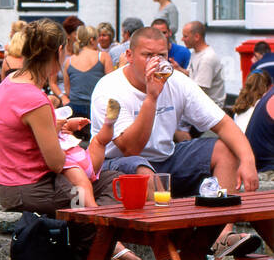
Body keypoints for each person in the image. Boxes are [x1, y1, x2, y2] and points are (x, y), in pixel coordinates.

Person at [0, 20, 135, 260]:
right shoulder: (35, 99)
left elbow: (22, 133)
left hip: (11, 186)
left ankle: (101, 249)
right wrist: (70, 140)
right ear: (59, 51)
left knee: (108, 182)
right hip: (29, 189)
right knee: (84, 196)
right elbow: (56, 162)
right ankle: (90, 259)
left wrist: (57, 126)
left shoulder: (8, 84)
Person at [91, 27, 258, 207]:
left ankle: (223, 232)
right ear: (129, 56)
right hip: (118, 163)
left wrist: (248, 160)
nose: (155, 62)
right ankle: (166, 231)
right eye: (147, 55)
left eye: (161, 55)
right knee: (142, 170)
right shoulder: (110, 87)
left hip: (165, 159)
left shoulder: (176, 81)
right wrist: (151, 98)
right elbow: (131, 149)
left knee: (225, 149)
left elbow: (223, 123)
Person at [62, 26, 113, 120]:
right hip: (96, 108)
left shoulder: (68, 61)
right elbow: (111, 84)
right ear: (92, 40)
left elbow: (68, 90)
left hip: (74, 109)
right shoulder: (103, 56)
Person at [183, 21, 227, 106]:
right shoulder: (195, 53)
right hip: (201, 104)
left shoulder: (207, 58)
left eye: (185, 36)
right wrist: (178, 70)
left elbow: (200, 89)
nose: (182, 39)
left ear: (196, 37)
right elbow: (192, 74)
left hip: (211, 108)